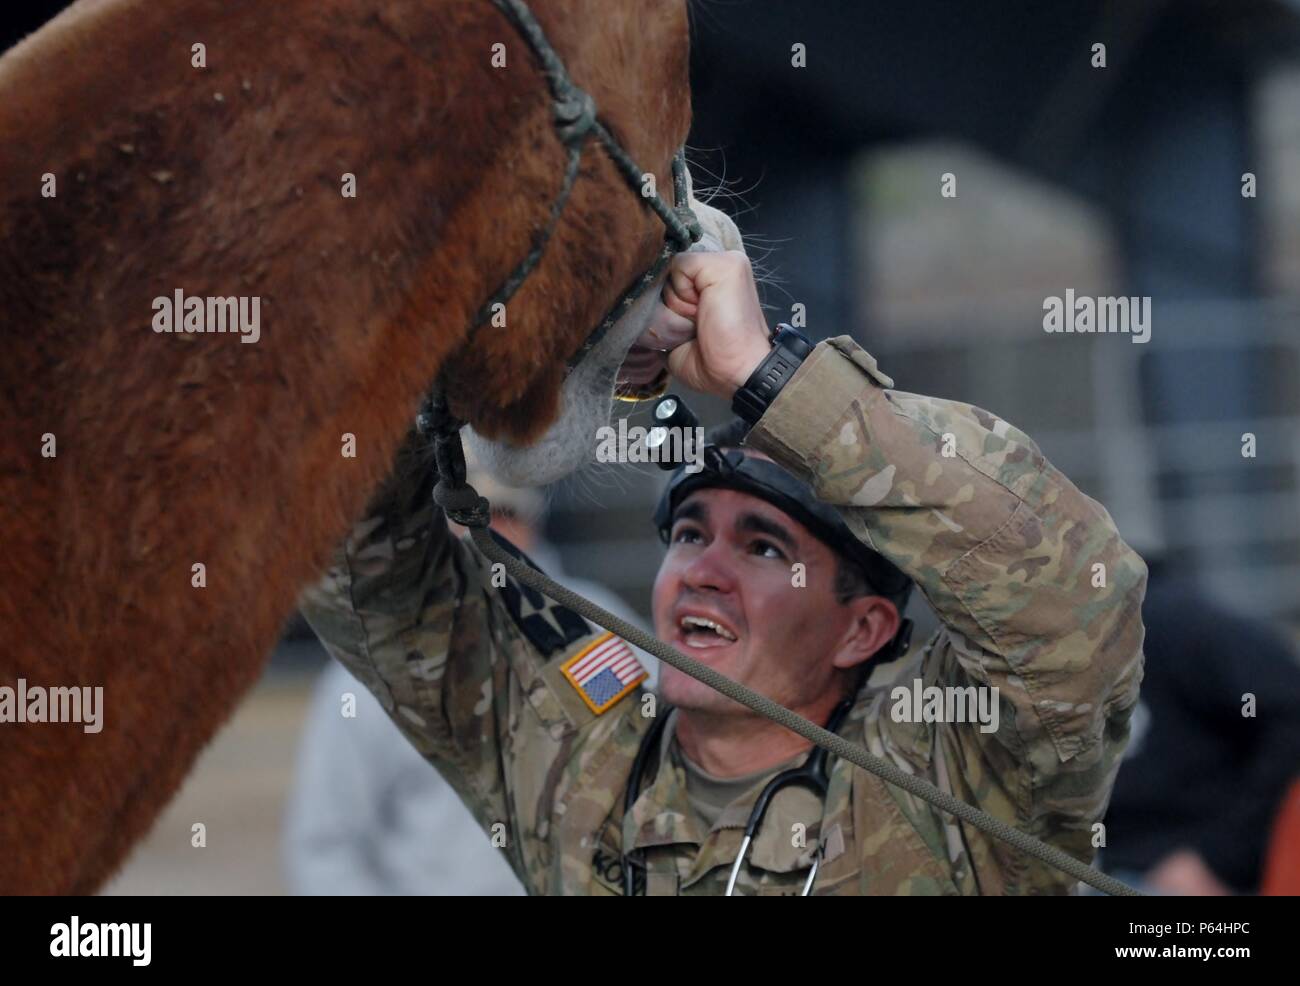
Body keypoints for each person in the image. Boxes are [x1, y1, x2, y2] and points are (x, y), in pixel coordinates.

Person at [299, 251, 1147, 895]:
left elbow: (1075, 605)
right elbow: (360, 569)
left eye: (763, 548)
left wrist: (769, 379)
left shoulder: (952, 775)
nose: (702, 570)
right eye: (689, 533)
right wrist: (435, 357)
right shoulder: (579, 758)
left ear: (863, 629)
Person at [284, 465, 650, 895]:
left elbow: (663, 774)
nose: (487, 532)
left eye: (504, 512)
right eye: (466, 516)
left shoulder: (601, 628)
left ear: (534, 522)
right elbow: (325, 847)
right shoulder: (372, 668)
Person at [1099, 557, 1300, 895]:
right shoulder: (1018, 655)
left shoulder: (1170, 622)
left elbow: (1288, 709)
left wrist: (1220, 860)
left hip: (1201, 871)